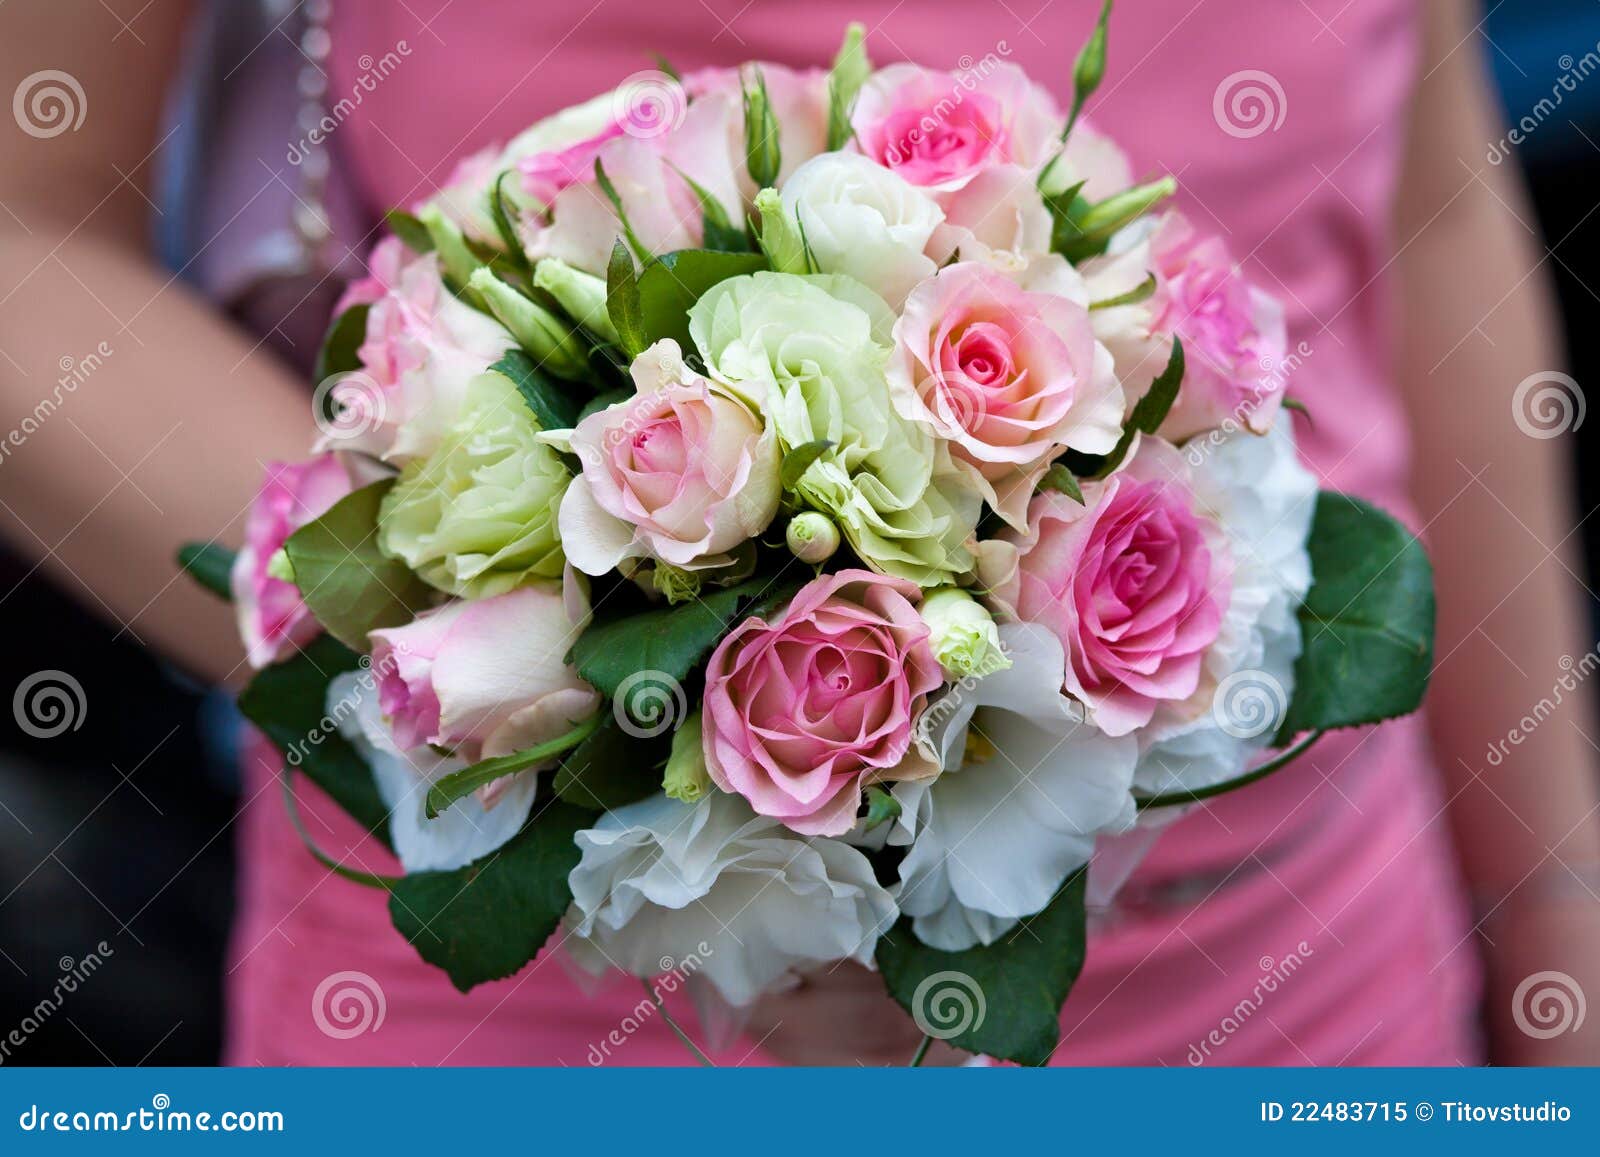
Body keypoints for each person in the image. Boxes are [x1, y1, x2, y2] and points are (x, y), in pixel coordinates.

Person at [3, 0, 1598, 1066]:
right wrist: (592, 710)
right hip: (555, 1013)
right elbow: (24, 235)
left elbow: (1425, 206)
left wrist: (1554, 929)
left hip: (1315, 985)